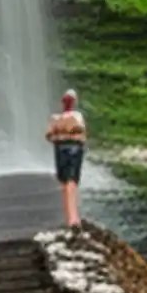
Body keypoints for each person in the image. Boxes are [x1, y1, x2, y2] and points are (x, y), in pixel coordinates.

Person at [45, 89, 87, 228]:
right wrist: (70, 132)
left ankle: (71, 217)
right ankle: (73, 219)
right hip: (73, 148)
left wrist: (61, 133)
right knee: (70, 182)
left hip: (60, 149)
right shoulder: (77, 116)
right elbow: (81, 131)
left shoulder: (55, 119)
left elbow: (49, 135)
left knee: (66, 183)